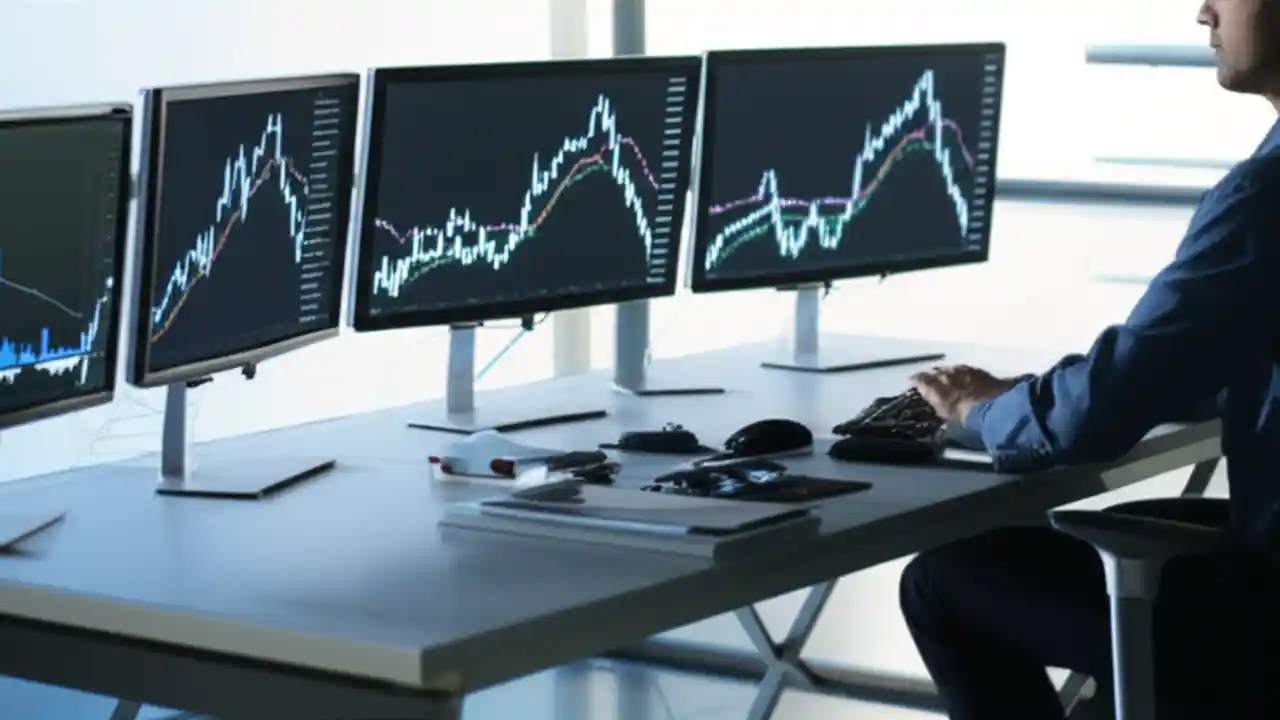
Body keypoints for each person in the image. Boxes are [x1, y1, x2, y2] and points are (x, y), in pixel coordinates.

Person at [901, 1, 1280, 718]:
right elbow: (1206, 348)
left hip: (1266, 624)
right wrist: (1048, 390)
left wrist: (981, 413)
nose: (1203, 12)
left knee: (943, 581)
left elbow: (1097, 417)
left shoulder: (1266, 197)